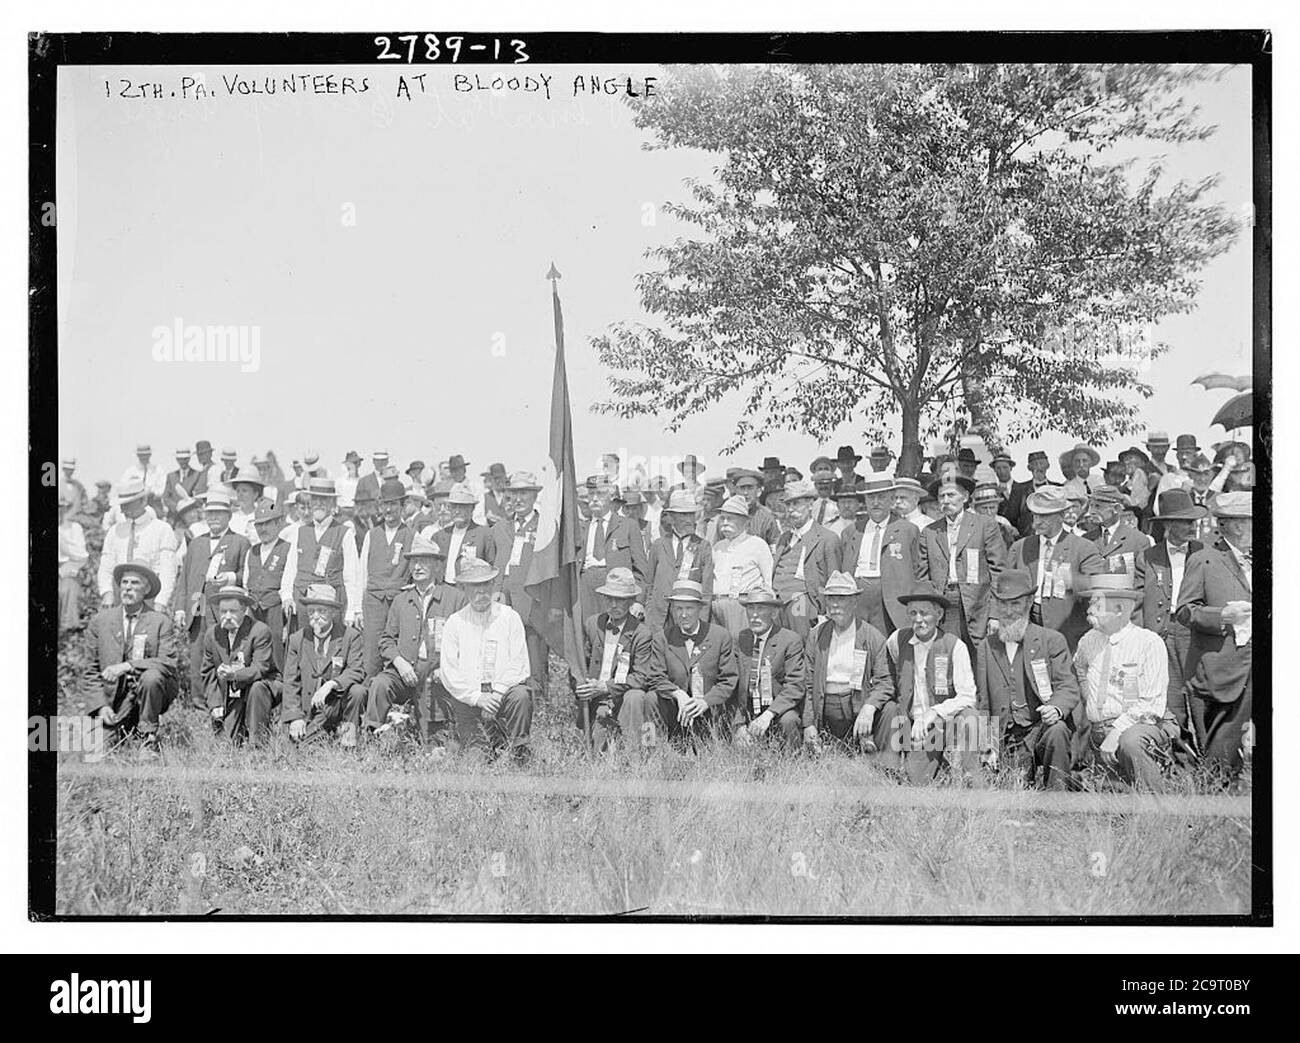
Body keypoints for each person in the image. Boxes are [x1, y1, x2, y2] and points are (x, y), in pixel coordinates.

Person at [975, 570, 1078, 790]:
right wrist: (987, 742)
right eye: (1003, 604)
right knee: (1013, 793)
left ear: (1030, 602)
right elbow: (983, 702)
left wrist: (1056, 709)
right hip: (1007, 734)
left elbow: (1068, 687)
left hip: (1040, 728)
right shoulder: (986, 646)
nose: (1009, 611)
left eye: (1016, 603)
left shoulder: (1051, 640)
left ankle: (1058, 801)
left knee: (1058, 731)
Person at [1175, 491, 1253, 776]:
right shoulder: (1204, 559)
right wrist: (1221, 616)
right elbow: (1185, 611)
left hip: (1255, 666)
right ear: (1234, 525)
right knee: (1221, 752)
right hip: (1224, 669)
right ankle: (1215, 807)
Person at [366, 533, 467, 743]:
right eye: (413, 562)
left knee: (434, 740)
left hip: (436, 674)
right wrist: (400, 663)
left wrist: (446, 669)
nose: (417, 567)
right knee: (380, 684)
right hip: (403, 672)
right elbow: (386, 640)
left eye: (424, 561)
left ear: (437, 566)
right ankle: (372, 739)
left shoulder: (455, 598)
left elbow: (466, 644)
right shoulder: (402, 599)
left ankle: (429, 741)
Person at [1074, 574, 1171, 791]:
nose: (1089, 610)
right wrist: (1090, 702)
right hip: (1098, 730)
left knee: (1131, 742)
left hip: (1134, 728)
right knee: (1109, 809)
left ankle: (1157, 811)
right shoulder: (1088, 641)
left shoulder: (1148, 643)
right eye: (1090, 603)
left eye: (1097, 605)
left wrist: (1116, 733)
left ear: (1118, 609)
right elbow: (1079, 668)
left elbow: (1151, 704)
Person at [881, 585, 984, 784]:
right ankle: (935, 767)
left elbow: (968, 696)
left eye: (924, 613)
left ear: (939, 614)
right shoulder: (897, 640)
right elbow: (890, 675)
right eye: (913, 613)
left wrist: (934, 712)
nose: (918, 619)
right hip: (914, 728)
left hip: (943, 723)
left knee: (970, 717)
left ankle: (972, 780)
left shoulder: (955, 646)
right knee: (916, 782)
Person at [438, 557, 535, 761]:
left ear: (493, 584)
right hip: (471, 703)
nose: (481, 591)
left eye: (485, 584)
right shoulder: (455, 623)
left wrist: (497, 694)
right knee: (475, 762)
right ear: (464, 588)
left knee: (522, 696)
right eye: (474, 586)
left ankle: (519, 751)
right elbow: (449, 672)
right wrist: (477, 698)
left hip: (504, 697)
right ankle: (484, 747)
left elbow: (519, 664)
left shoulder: (510, 617)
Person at [1134, 489, 1206, 759]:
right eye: (1184, 521)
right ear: (1167, 524)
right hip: (1160, 636)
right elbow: (1138, 600)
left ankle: (1213, 763)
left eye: (1192, 521)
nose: (1191, 526)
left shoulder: (1204, 553)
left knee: (1200, 698)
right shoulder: (1148, 556)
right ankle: (1181, 761)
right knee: (1170, 700)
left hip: (1195, 634)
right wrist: (1141, 640)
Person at [84, 563, 179, 757]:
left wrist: (127, 666)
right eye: (124, 582)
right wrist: (101, 706)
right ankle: (122, 725)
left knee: (151, 676)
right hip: (115, 698)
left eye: (134, 583)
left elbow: (167, 663)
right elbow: (90, 671)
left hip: (151, 694)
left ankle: (148, 738)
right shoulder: (100, 622)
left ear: (146, 590)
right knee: (96, 753)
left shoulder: (160, 621)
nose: (127, 587)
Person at [635, 580, 738, 745]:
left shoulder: (720, 636)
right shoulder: (662, 637)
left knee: (706, 754)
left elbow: (729, 680)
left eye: (689, 608)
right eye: (678, 608)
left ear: (699, 609)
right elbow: (655, 677)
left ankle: (708, 744)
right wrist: (678, 694)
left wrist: (705, 701)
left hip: (707, 710)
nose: (683, 614)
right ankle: (650, 749)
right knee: (650, 699)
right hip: (674, 709)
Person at [801, 571, 894, 754]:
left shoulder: (872, 637)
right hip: (826, 706)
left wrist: (869, 707)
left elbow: (886, 682)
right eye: (830, 599)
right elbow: (808, 683)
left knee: (890, 709)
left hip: (857, 705)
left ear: (854, 602)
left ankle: (882, 763)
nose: (835, 605)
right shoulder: (816, 636)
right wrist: (808, 724)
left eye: (841, 599)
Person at [175, 489, 252, 705]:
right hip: (197, 603)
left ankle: (227, 697)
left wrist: (231, 578)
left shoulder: (240, 542)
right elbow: (185, 580)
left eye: (219, 513)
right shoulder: (196, 543)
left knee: (226, 650)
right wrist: (181, 608)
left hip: (225, 607)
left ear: (229, 515)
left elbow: (248, 576)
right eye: (210, 514)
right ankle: (199, 699)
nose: (214, 518)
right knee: (198, 651)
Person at [1008, 487, 1105, 652]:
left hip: (1066, 634)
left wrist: (1073, 580)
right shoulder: (1020, 547)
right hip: (1026, 632)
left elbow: (1098, 586)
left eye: (1044, 516)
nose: (1037, 522)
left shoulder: (1083, 548)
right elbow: (1005, 585)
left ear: (1062, 515)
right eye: (1035, 515)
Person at [918, 474, 1007, 650]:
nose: (945, 500)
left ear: (965, 497)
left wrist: (995, 615)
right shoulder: (929, 532)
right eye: (941, 496)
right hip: (943, 605)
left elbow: (999, 572)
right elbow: (922, 577)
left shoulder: (985, 525)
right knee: (947, 654)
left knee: (980, 658)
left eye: (951, 495)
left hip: (978, 604)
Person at [575, 568, 656, 752]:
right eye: (609, 598)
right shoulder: (592, 624)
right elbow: (579, 664)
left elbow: (641, 677)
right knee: (594, 753)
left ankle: (638, 752)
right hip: (593, 698)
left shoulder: (642, 634)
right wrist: (582, 686)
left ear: (631, 601)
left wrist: (606, 687)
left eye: (619, 599)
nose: (613, 604)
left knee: (637, 697)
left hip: (621, 698)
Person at [280, 584, 367, 748]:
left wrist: (331, 684)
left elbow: (357, 670)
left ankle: (348, 740)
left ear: (334, 613)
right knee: (296, 749)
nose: (315, 616)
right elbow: (290, 681)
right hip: (309, 709)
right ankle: (316, 736)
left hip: (337, 705)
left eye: (322, 611)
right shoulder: (297, 639)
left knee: (358, 691)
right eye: (311, 611)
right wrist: (295, 717)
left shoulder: (350, 636)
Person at [838, 474, 924, 637]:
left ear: (892, 500)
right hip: (857, 598)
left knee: (885, 648)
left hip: (889, 600)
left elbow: (918, 571)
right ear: (865, 500)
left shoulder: (907, 530)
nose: (875, 502)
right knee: (857, 646)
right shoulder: (851, 532)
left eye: (881, 497)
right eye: (871, 497)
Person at [279, 477, 362, 632]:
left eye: (324, 499)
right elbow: (290, 570)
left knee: (332, 650)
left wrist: (352, 610)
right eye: (315, 499)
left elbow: (352, 576)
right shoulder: (300, 532)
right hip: (302, 603)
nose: (319, 503)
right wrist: (287, 597)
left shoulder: (344, 533)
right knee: (303, 648)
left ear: (332, 504)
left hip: (332, 604)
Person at [201, 584, 278, 745]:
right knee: (226, 746)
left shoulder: (260, 631)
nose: (227, 616)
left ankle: (258, 744)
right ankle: (235, 732)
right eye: (223, 611)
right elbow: (207, 672)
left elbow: (261, 668)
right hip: (230, 692)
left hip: (260, 687)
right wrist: (215, 703)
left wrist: (234, 675)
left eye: (233, 611)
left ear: (244, 610)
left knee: (257, 689)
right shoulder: (212, 634)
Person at [356, 478, 416, 678]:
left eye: (393, 504)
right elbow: (362, 574)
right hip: (373, 603)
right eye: (385, 505)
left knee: (399, 650)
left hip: (399, 602)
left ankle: (398, 702)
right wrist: (357, 609)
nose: (388, 510)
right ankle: (369, 699)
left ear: (402, 506)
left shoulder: (411, 535)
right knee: (372, 653)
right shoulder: (372, 534)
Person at [97, 479, 178, 612]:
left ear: (143, 501)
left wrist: (161, 602)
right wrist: (107, 593)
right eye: (122, 505)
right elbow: (106, 565)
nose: (123, 510)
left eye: (128, 504)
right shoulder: (115, 531)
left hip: (150, 595)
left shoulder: (162, 529)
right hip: (120, 596)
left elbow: (167, 570)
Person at [578, 480, 650, 623]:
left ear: (611, 496)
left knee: (616, 635)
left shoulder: (628, 526)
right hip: (586, 590)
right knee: (588, 633)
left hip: (618, 591)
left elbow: (641, 568)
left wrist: (639, 601)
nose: (594, 498)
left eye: (600, 493)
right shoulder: (580, 528)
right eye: (591, 493)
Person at [708, 494, 772, 636]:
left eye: (730, 518)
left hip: (741, 605)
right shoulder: (718, 547)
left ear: (745, 522)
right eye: (722, 518)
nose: (724, 523)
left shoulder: (757, 545)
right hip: (716, 605)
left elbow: (768, 582)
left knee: (740, 646)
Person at [241, 499, 291, 672]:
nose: (262, 529)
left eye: (267, 524)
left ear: (277, 523)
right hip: (254, 608)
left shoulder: (287, 548)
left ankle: (280, 689)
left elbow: (288, 581)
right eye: (259, 525)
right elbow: (247, 583)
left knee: (276, 649)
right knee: (253, 648)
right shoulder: (252, 551)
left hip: (275, 609)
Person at [434, 481, 498, 586]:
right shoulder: (439, 536)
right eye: (454, 507)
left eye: (462, 507)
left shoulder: (484, 534)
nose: (457, 511)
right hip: (444, 590)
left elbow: (491, 567)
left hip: (470, 590)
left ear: (472, 508)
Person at [1086, 485, 1149, 580]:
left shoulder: (1138, 540)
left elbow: (1142, 581)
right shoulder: (1085, 539)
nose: (1092, 511)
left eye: (1098, 506)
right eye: (1091, 505)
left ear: (1117, 509)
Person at [58, 490, 89, 634]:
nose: (59, 510)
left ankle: (68, 626)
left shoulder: (75, 528)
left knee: (68, 584)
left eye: (61, 506)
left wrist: (65, 545)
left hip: (69, 564)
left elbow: (81, 554)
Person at [163, 447, 204, 521]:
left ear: (189, 459)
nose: (182, 462)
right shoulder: (171, 476)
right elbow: (166, 497)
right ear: (177, 460)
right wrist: (176, 507)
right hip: (174, 517)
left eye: (185, 459)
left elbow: (199, 496)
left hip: (191, 516)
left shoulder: (197, 475)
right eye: (180, 459)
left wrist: (187, 508)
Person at [972, 484, 1018, 548]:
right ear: (976, 509)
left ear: (997, 507)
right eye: (984, 508)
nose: (989, 512)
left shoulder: (1004, 523)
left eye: (992, 508)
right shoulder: (970, 524)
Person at [228, 466, 265, 540]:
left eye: (244, 491)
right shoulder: (231, 518)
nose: (240, 494)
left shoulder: (263, 517)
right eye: (238, 491)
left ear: (255, 494)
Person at [476, 463, 510, 527]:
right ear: (490, 480)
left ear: (505, 478)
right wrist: (487, 520)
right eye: (495, 478)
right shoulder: (483, 497)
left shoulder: (512, 497)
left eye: (500, 478)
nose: (498, 481)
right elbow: (476, 519)